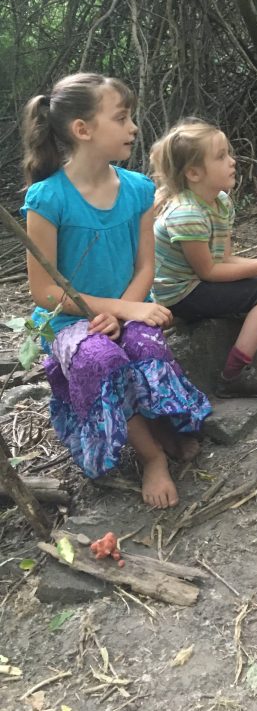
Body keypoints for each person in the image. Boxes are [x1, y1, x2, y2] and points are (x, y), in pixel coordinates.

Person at [21, 74, 212, 509]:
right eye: (122, 118)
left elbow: (147, 265)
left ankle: (164, 425)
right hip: (70, 322)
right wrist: (111, 311)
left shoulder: (139, 190)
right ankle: (150, 457)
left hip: (127, 308)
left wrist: (126, 312)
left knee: (145, 343)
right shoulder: (47, 199)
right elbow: (44, 291)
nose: (133, 128)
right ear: (82, 130)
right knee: (101, 358)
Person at [150, 119, 257, 398]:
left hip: (200, 281)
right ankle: (233, 375)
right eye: (221, 156)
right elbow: (208, 270)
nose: (232, 161)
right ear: (194, 173)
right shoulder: (186, 213)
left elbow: (224, 258)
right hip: (180, 293)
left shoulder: (219, 201)